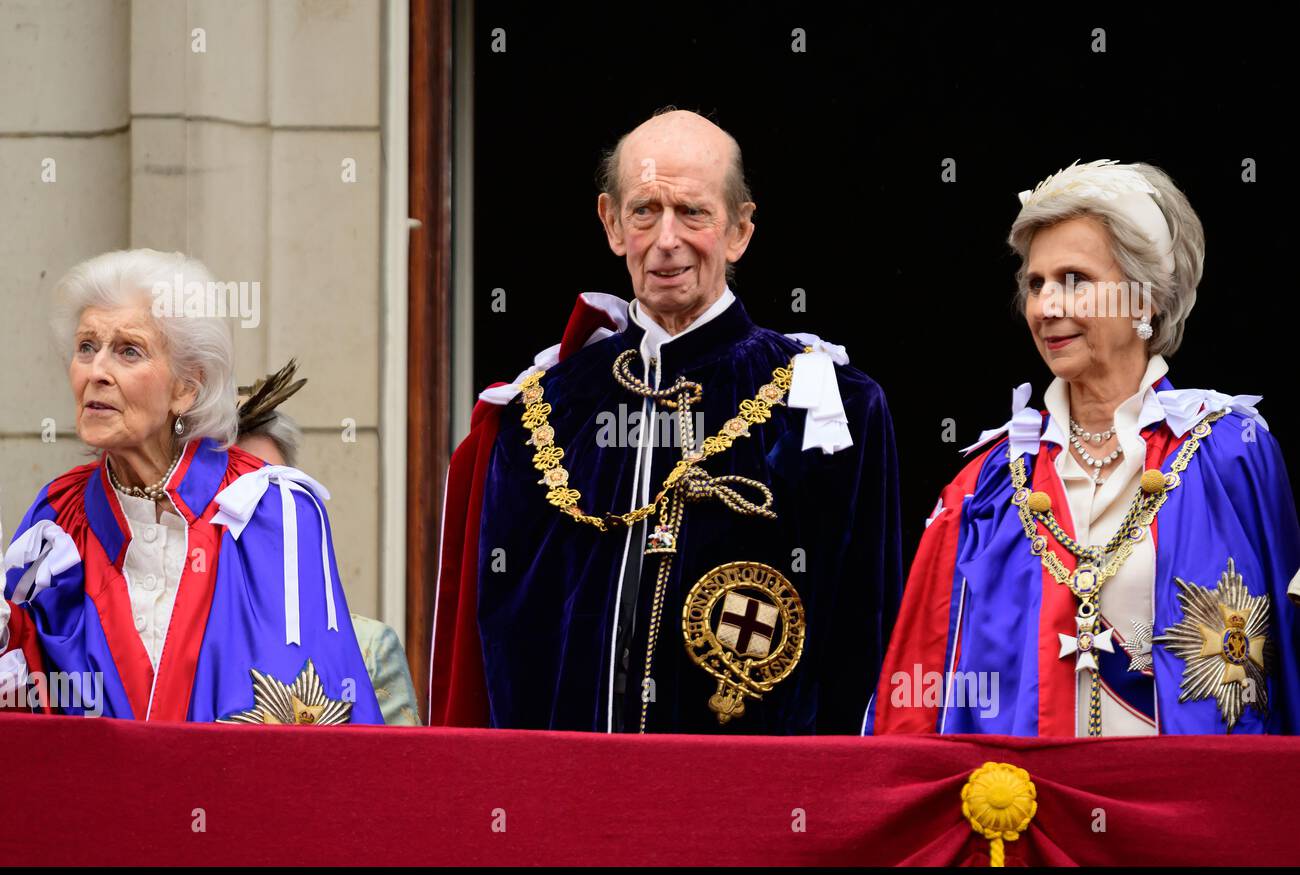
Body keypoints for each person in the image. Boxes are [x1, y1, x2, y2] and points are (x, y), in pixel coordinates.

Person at [429, 107, 902, 734]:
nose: (666, 238)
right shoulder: (538, 415)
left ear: (739, 229)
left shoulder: (830, 407)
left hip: (760, 803)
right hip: (571, 802)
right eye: (644, 210)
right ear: (611, 224)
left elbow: (866, 643)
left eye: (694, 212)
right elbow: (496, 657)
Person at [868, 160, 1300, 736]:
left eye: (1075, 280)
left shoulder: (1230, 451)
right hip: (1021, 812)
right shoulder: (988, 483)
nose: (1047, 307)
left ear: (1144, 301)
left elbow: (1289, 663)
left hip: (1188, 809)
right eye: (1036, 284)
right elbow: (917, 691)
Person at [0, 249, 381, 723]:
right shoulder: (58, 517)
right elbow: (23, 690)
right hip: (96, 796)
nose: (96, 371)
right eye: (86, 347)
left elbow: (310, 711)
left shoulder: (268, 509)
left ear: (186, 388)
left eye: (128, 350)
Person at [234, 375, 420, 727]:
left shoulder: (368, 648)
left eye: (272, 483)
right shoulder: (173, 645)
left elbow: (402, 776)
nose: (256, 507)